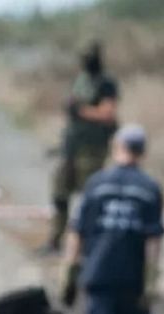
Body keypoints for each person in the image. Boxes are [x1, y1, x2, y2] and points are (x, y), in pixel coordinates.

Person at [62, 124, 164, 314]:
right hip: (132, 279)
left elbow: (77, 231)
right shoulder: (149, 188)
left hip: (98, 275)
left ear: (115, 147)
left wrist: (69, 272)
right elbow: (153, 240)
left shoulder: (96, 184)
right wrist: (151, 281)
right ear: (142, 151)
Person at [42, 40, 119, 254]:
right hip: (72, 146)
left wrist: (82, 110)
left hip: (92, 150)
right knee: (59, 193)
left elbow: (107, 113)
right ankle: (55, 240)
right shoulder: (81, 80)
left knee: (90, 196)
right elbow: (73, 106)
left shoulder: (106, 83)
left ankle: (90, 243)